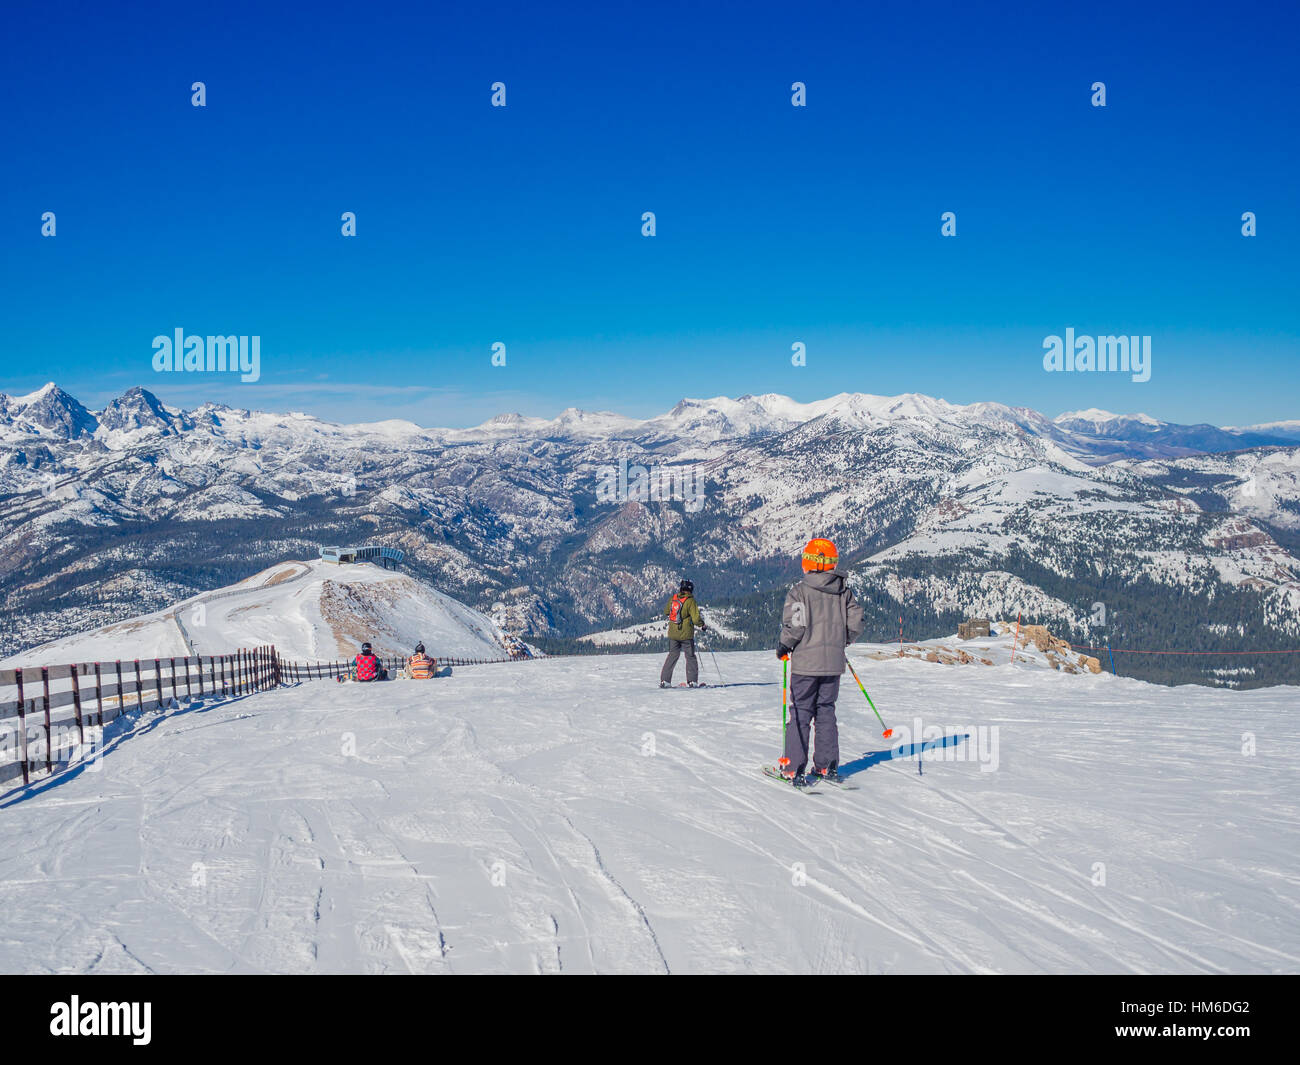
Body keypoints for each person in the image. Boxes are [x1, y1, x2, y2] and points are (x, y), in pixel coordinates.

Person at [776, 538, 864, 785]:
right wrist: (842, 640)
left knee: (801, 712)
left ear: (809, 562)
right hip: (833, 664)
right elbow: (856, 622)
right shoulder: (843, 592)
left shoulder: (800, 592)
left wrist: (784, 645)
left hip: (806, 664)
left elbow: (795, 626)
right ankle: (826, 766)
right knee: (826, 711)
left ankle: (793, 767)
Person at [659, 578, 707, 688]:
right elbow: (695, 619)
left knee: (672, 656)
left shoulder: (674, 598)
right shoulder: (690, 601)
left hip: (672, 633)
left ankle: (665, 681)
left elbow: (667, 611)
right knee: (690, 657)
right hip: (686, 634)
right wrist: (702, 625)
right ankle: (692, 681)